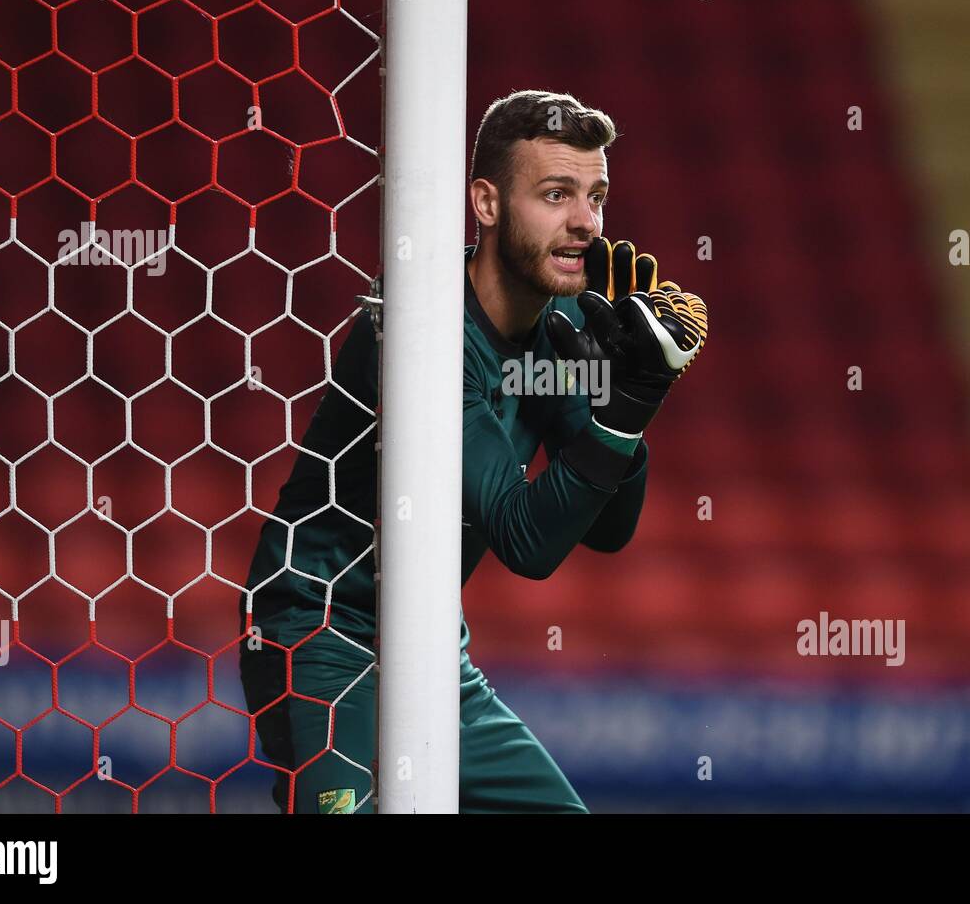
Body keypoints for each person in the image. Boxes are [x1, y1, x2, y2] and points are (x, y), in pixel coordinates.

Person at [238, 89, 707, 813]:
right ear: (485, 204)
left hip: (426, 642)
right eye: (556, 194)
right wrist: (623, 412)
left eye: (596, 196)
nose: (585, 221)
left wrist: (632, 398)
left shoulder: (560, 325)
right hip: (319, 630)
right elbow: (524, 539)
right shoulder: (421, 326)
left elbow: (608, 530)